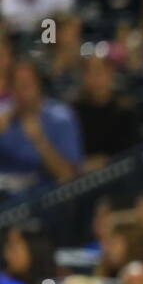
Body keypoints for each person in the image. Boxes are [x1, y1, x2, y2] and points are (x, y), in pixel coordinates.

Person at [0, 59, 83, 192]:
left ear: (38, 85)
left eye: (26, 85)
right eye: (17, 86)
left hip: (44, 200)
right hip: (6, 196)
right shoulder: (4, 118)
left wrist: (39, 140)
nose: (22, 92)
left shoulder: (60, 118)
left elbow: (69, 176)